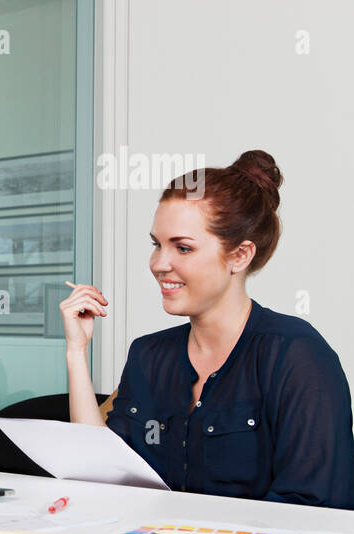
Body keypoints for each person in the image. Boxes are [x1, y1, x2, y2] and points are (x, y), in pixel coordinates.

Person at [60, 149, 353, 508]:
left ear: (240, 256)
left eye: (182, 248)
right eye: (157, 245)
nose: (158, 264)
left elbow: (315, 507)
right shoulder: (148, 355)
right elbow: (99, 474)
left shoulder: (296, 355)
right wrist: (77, 353)